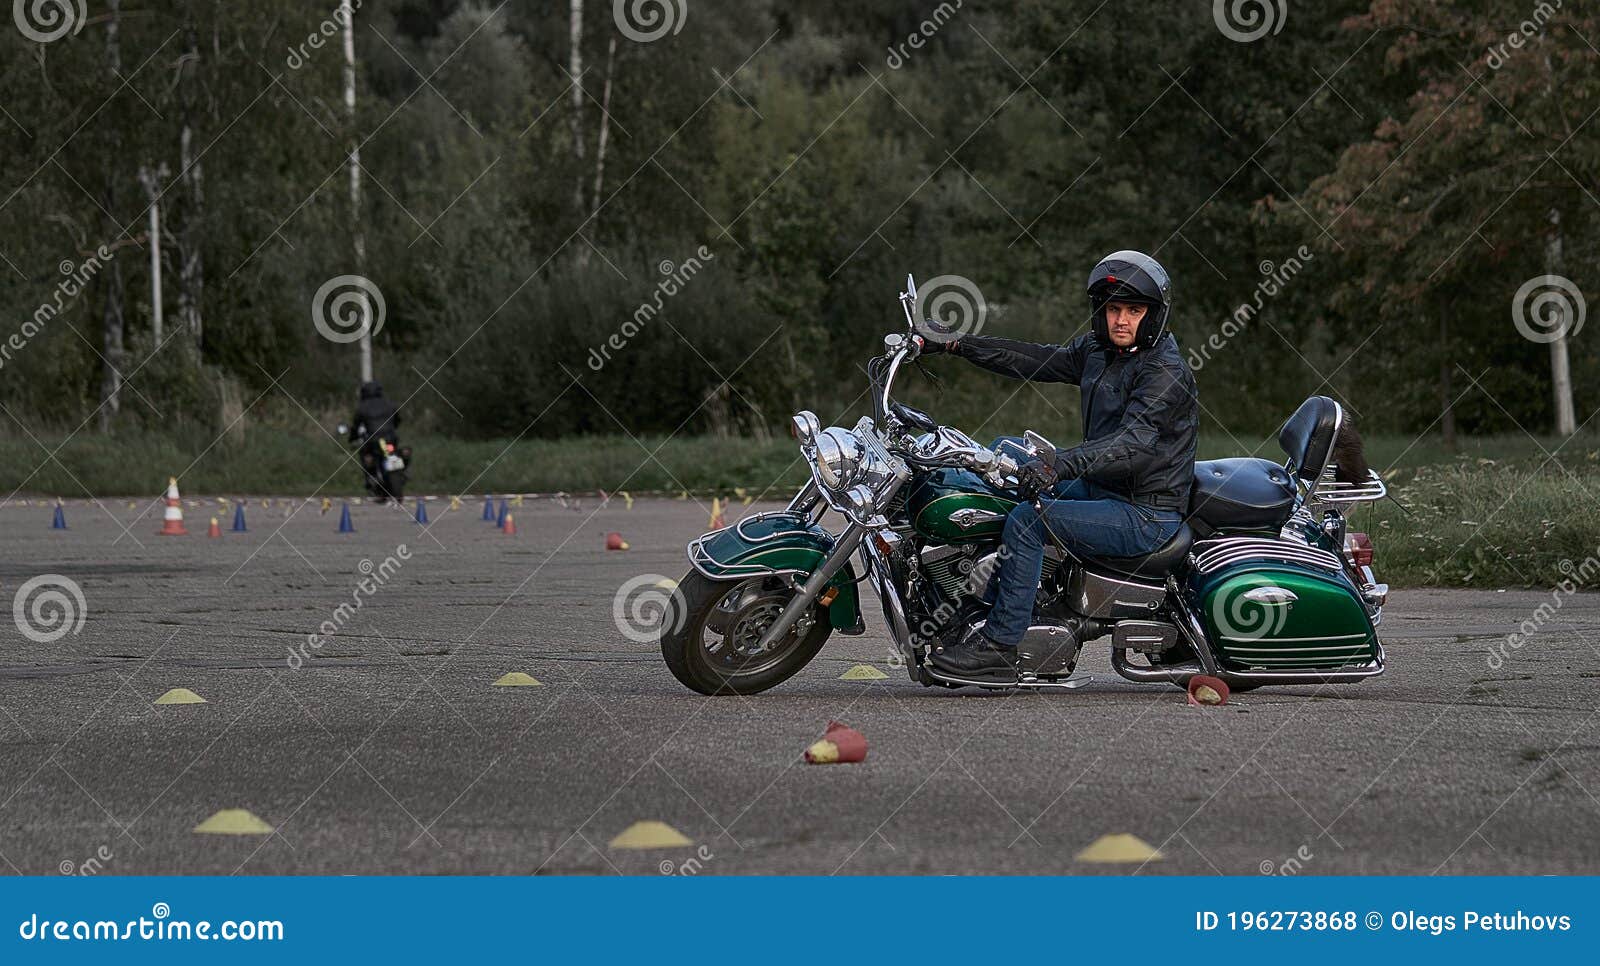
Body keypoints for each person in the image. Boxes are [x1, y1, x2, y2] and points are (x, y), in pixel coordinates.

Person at [915, 251, 1199, 682]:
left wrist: (1059, 465)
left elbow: (1133, 445)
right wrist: (957, 344)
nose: (1121, 320)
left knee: (1029, 522)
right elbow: (1033, 359)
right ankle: (979, 604)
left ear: (1154, 315)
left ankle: (1001, 647)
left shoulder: (1164, 370)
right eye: (1113, 309)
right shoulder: (1100, 351)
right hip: (1106, 487)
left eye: (1134, 311)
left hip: (1145, 512)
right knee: (1006, 455)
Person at [349, 381, 401, 498]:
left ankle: (370, 478)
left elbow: (356, 426)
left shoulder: (362, 407)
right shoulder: (390, 404)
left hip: (373, 440)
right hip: (390, 438)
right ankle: (400, 472)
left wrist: (352, 438)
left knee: (365, 454)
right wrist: (392, 428)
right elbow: (397, 419)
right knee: (394, 452)